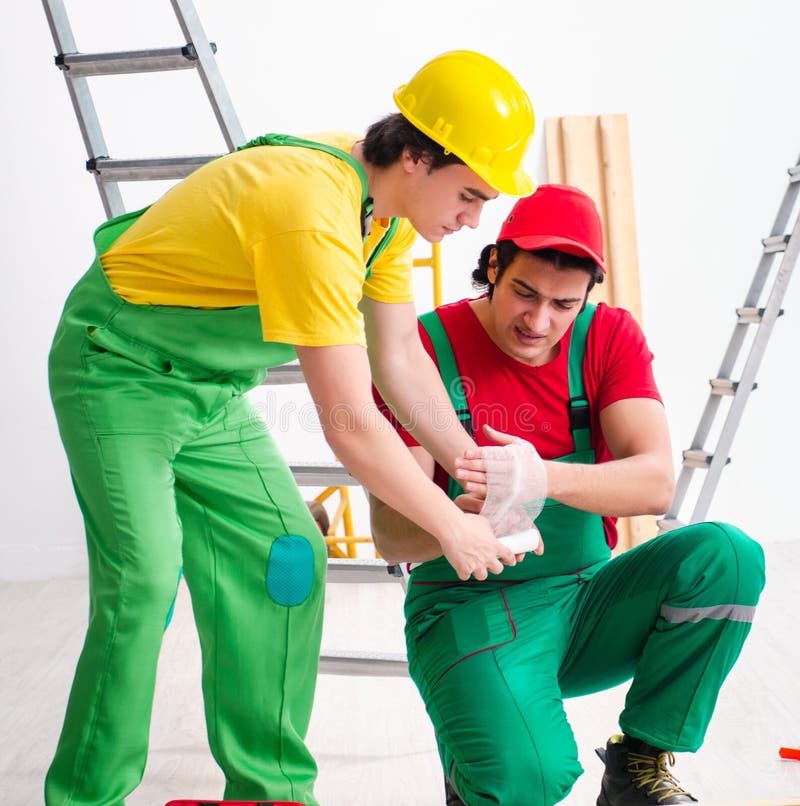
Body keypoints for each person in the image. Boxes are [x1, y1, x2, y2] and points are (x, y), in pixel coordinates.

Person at [45, 50, 537, 806]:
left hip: (207, 394)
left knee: (289, 556)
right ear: (415, 157)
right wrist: (449, 526)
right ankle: (86, 796)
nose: (475, 220)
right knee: (143, 581)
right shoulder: (311, 211)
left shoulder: (385, 217)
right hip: (116, 372)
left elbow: (398, 357)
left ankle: (268, 793)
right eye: (470, 194)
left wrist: (468, 462)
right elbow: (350, 422)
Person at [370, 184, 766, 805]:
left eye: (563, 304)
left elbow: (655, 483)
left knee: (726, 556)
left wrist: (539, 479)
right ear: (494, 265)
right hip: (467, 608)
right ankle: (481, 761)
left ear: (587, 296)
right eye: (525, 293)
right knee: (527, 776)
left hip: (585, 602)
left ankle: (637, 765)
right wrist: (463, 512)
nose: (539, 321)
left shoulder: (607, 337)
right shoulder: (424, 349)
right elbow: (390, 536)